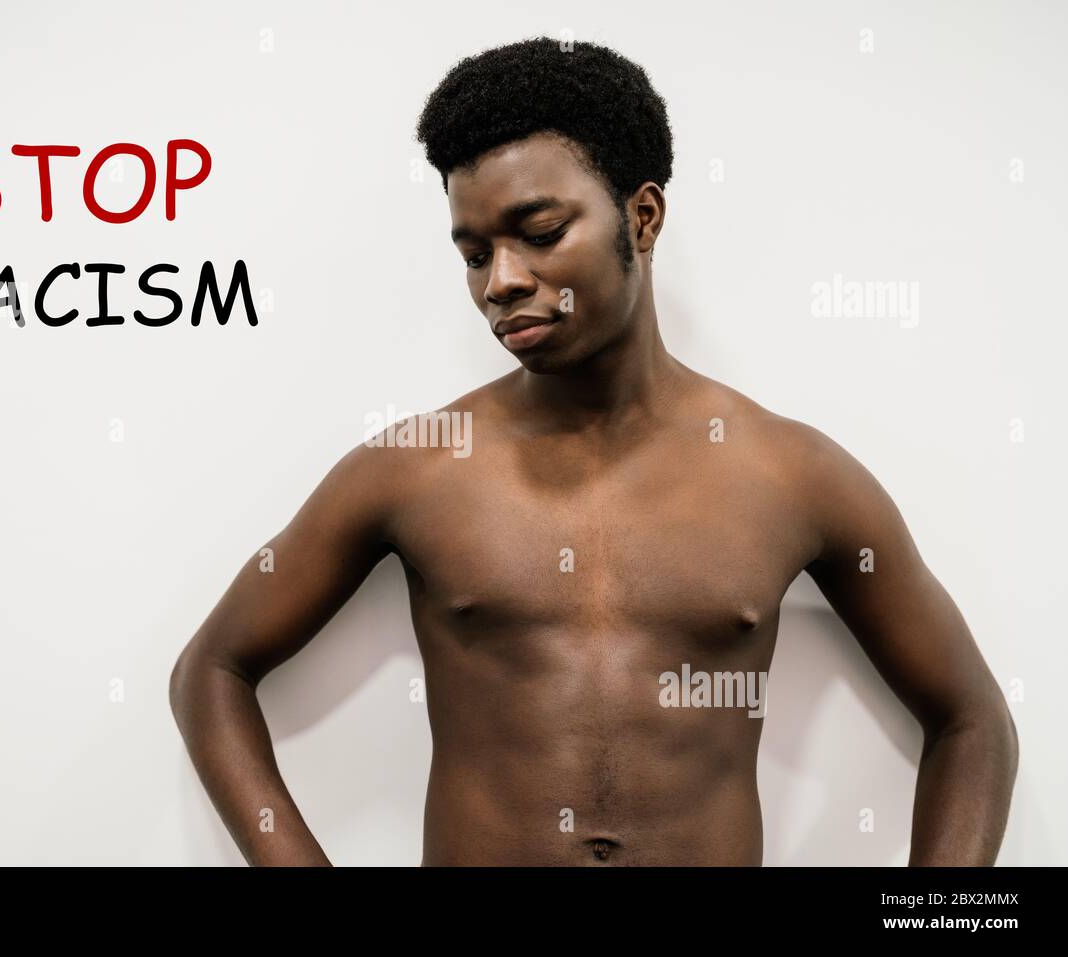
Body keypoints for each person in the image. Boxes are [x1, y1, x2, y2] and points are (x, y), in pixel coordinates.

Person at [169, 36, 1018, 866]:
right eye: (473, 253)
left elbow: (972, 719)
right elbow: (211, 669)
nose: (499, 280)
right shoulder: (414, 467)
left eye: (537, 231)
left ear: (641, 217)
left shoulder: (794, 476)